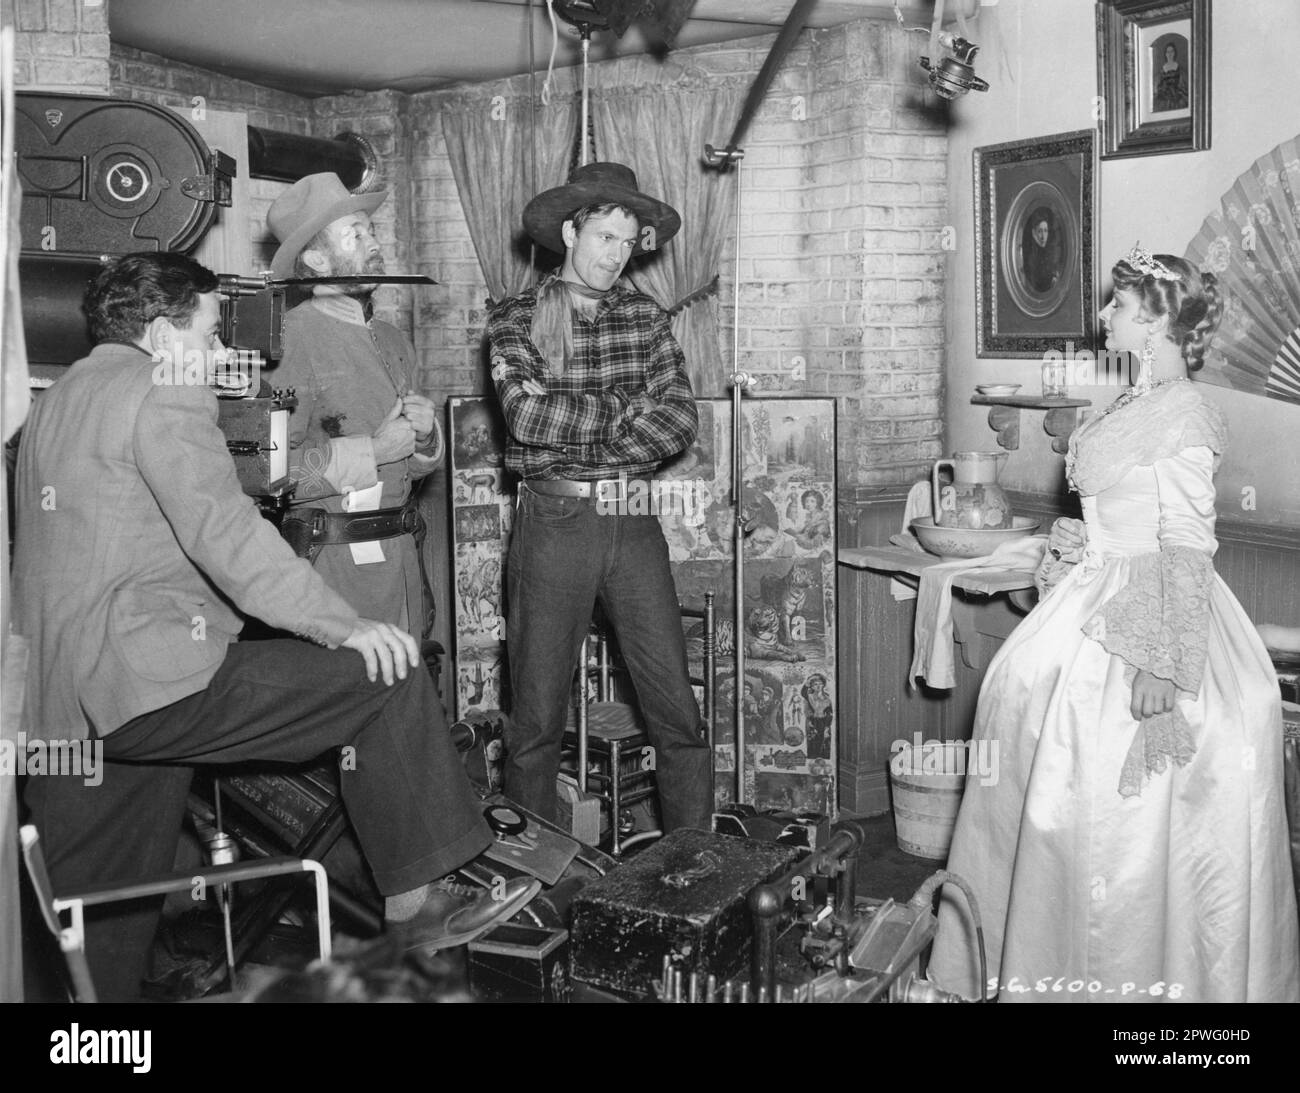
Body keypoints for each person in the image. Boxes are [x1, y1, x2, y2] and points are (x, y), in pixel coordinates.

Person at [12, 253, 535, 1001]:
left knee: (91, 915)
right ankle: (421, 905)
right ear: (164, 335)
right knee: (383, 676)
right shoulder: (165, 390)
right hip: (147, 678)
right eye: (212, 333)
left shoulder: (59, 395)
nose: (225, 354)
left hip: (68, 705)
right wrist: (344, 625)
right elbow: (226, 533)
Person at [929, 246, 1300, 1003]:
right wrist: (1073, 554)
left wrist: (1166, 662)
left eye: (1120, 306)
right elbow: (1108, 515)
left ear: (1158, 322)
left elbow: (1189, 543)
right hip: (1098, 593)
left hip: (1161, 610)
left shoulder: (1186, 413)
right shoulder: (1134, 402)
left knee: (1114, 784)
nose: (1104, 316)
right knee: (1027, 705)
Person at [486, 161, 712, 830]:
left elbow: (677, 421)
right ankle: (532, 886)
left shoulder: (644, 316)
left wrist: (580, 422)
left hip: (632, 519)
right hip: (554, 521)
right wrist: (622, 408)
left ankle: (694, 863)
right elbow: (526, 417)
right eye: (604, 237)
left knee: (677, 711)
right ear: (569, 231)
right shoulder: (514, 316)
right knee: (535, 720)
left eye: (627, 241)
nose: (617, 255)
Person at [266, 172, 443, 634]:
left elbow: (404, 470)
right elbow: (267, 471)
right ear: (317, 258)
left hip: (402, 559)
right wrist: (374, 451)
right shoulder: (289, 340)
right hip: (332, 571)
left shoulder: (391, 338)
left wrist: (423, 441)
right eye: (355, 234)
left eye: (372, 230)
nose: (373, 242)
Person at [1022, 211, 1060, 294]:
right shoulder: (1031, 256)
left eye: (1045, 231)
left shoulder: (1048, 252)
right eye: (1040, 231)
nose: (1043, 236)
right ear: (1033, 233)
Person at [1154, 41, 1188, 113]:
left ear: (1174, 53)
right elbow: (1159, 86)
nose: (1170, 54)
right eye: (1168, 52)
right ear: (1165, 54)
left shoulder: (1179, 68)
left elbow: (1183, 84)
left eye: (1171, 51)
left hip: (1178, 99)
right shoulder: (1162, 70)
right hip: (1165, 99)